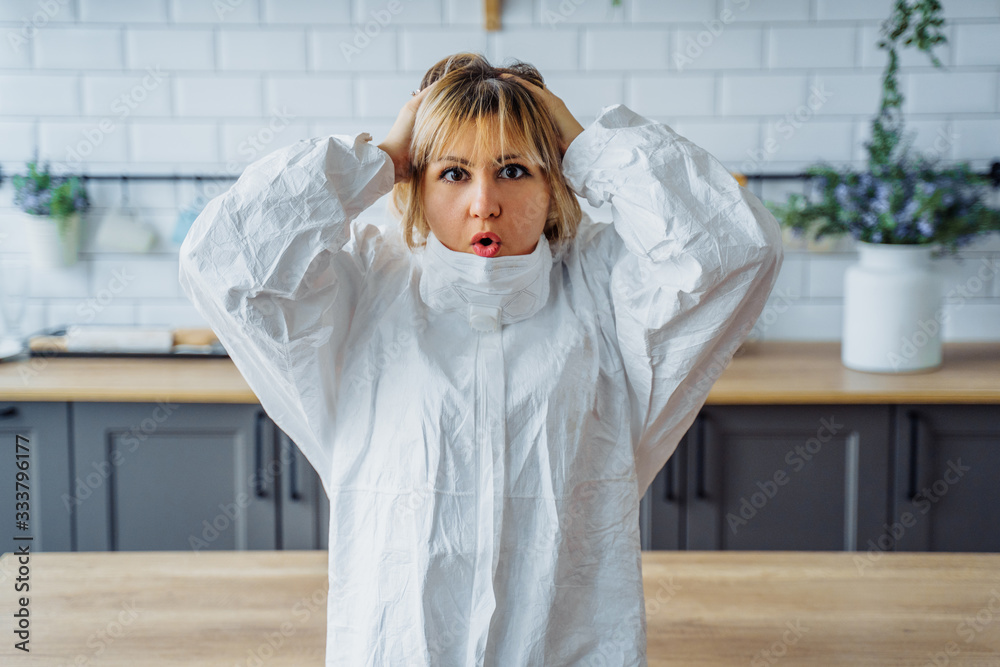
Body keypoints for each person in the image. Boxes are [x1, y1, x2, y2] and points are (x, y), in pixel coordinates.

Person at [178, 52, 783, 667]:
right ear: (417, 183)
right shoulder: (362, 289)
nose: (484, 203)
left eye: (515, 170)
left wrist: (584, 144)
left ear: (556, 184)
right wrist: (381, 160)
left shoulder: (607, 294)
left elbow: (735, 249)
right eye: (453, 173)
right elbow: (226, 261)